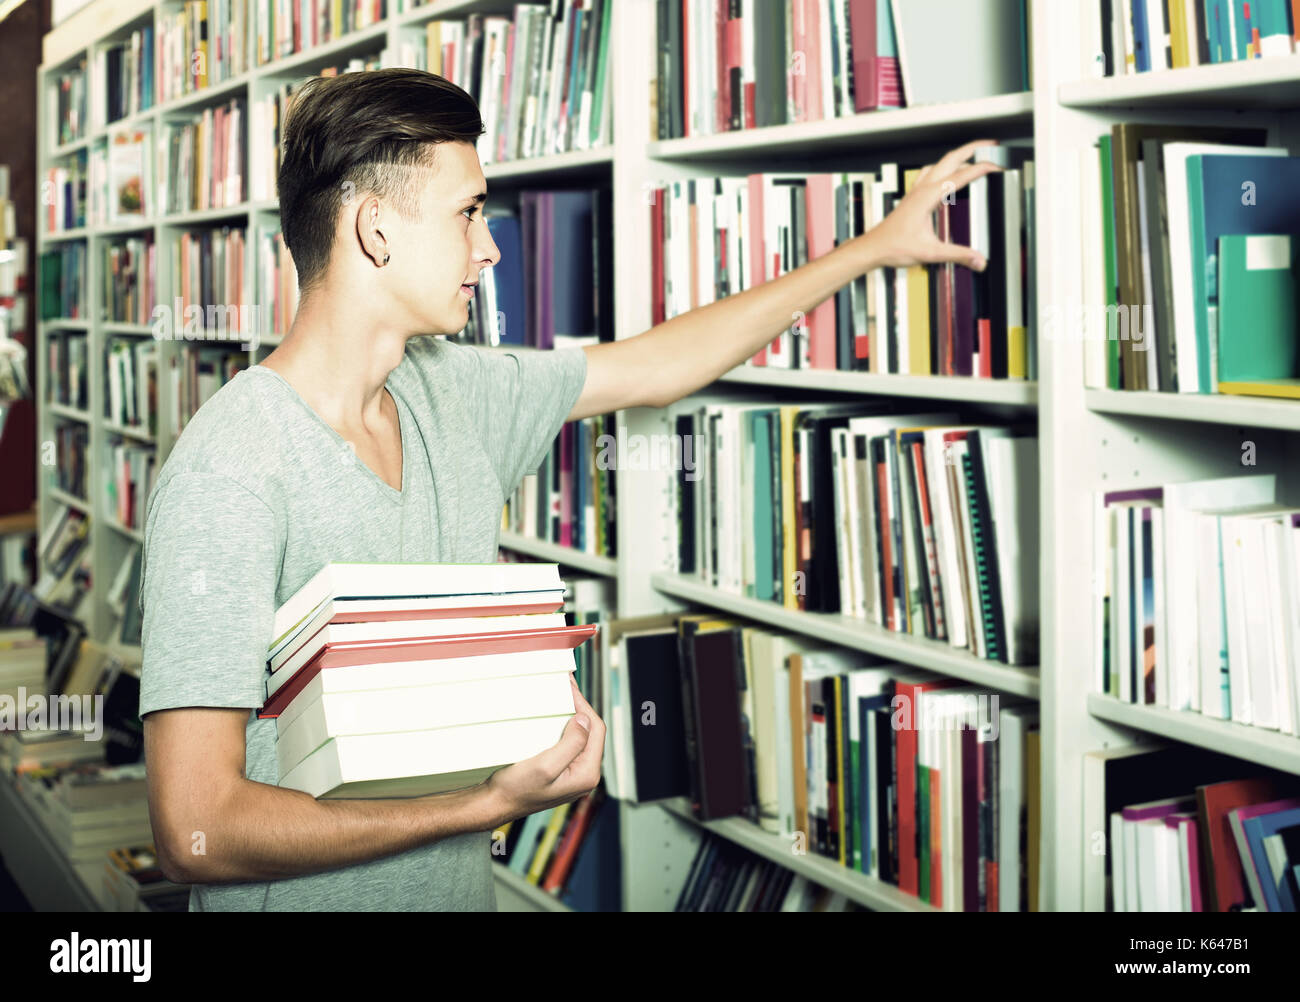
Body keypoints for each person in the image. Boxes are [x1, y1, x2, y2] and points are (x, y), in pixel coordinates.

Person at [139, 67, 1000, 911]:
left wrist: (877, 246)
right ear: (375, 229)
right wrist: (488, 807)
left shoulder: (452, 391)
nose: (490, 246)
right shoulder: (230, 472)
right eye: (469, 212)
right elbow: (196, 828)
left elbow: (658, 366)